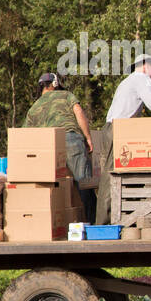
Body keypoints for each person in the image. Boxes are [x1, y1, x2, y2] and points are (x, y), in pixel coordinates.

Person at [95, 55, 151, 224]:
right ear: (144, 65)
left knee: (118, 175)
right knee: (112, 177)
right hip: (118, 130)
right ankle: (104, 225)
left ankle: (117, 221)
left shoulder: (128, 81)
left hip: (113, 129)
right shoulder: (142, 79)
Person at [24, 72, 96, 222]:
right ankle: (92, 223)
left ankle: (54, 224)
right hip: (70, 138)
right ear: (55, 84)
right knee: (84, 182)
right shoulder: (66, 95)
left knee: (54, 186)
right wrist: (88, 137)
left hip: (47, 146)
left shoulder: (33, 108)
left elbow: (25, 134)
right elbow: (78, 112)